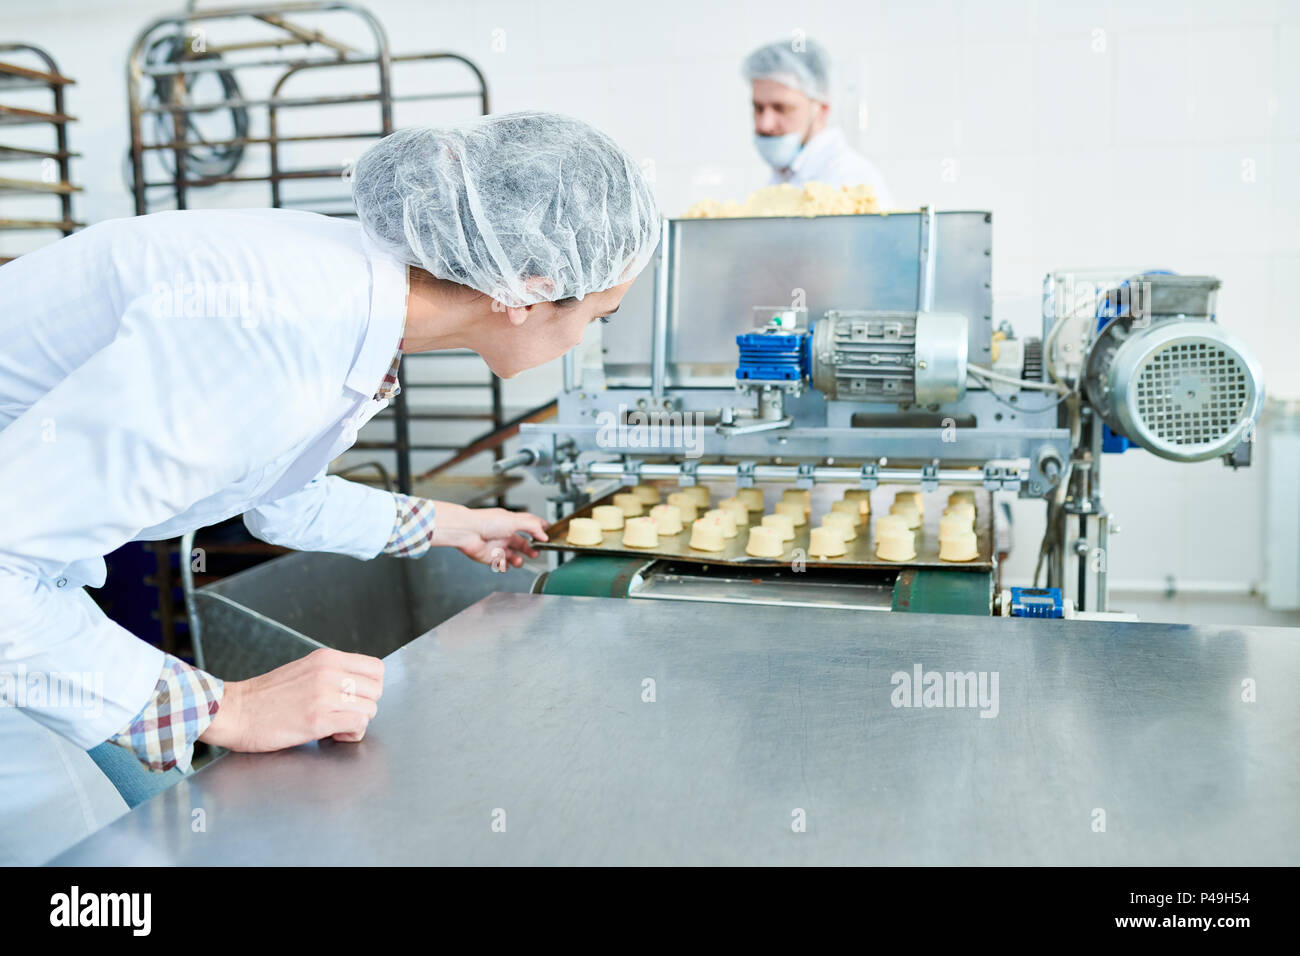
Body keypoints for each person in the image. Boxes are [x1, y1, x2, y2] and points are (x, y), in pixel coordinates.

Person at [0, 110, 660, 864]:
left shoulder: (344, 294)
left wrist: (451, 524)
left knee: (140, 813)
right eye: (598, 315)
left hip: (31, 584)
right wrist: (230, 707)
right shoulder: (274, 331)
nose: (586, 340)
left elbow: (276, 488)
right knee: (99, 857)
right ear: (531, 291)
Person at [744, 38, 896, 207]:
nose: (765, 124)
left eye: (781, 108)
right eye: (758, 108)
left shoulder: (850, 181)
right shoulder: (783, 178)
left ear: (822, 109)